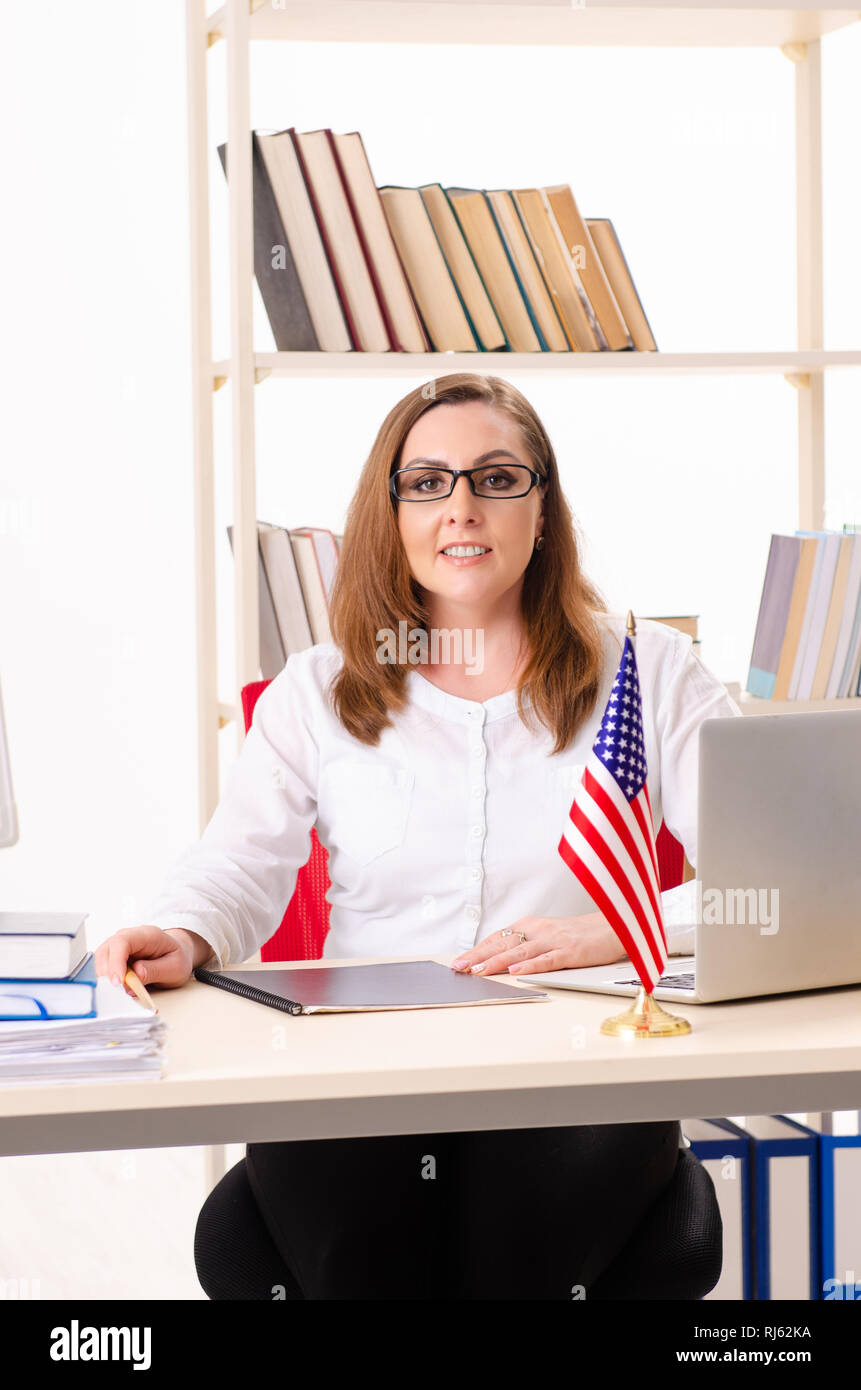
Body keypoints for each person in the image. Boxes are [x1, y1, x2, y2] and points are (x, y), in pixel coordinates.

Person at [95, 373, 741, 1300]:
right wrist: (184, 931)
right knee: (363, 1257)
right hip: (362, 1066)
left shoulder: (646, 670)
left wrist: (619, 931)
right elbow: (239, 863)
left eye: (496, 477)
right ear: (391, 512)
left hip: (573, 1064)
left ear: (543, 508)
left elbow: (769, 883)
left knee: (518, 1248)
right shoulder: (318, 690)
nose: (463, 507)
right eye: (428, 482)